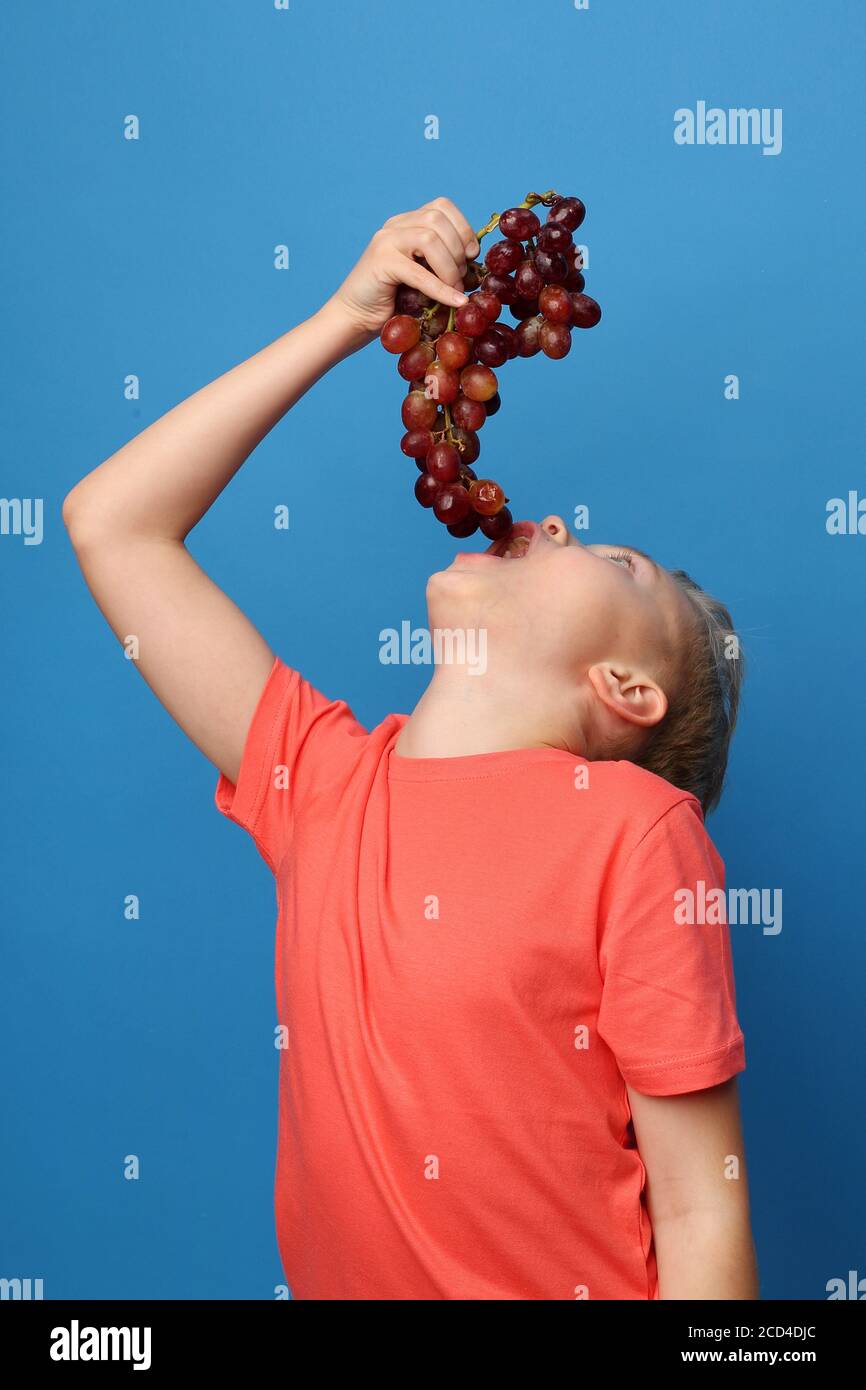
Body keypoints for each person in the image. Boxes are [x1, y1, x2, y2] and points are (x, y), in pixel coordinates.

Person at [63, 197, 758, 1300]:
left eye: (619, 563)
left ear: (623, 691)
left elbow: (699, 1200)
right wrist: (342, 321)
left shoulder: (637, 833)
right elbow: (113, 521)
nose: (563, 524)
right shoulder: (320, 782)